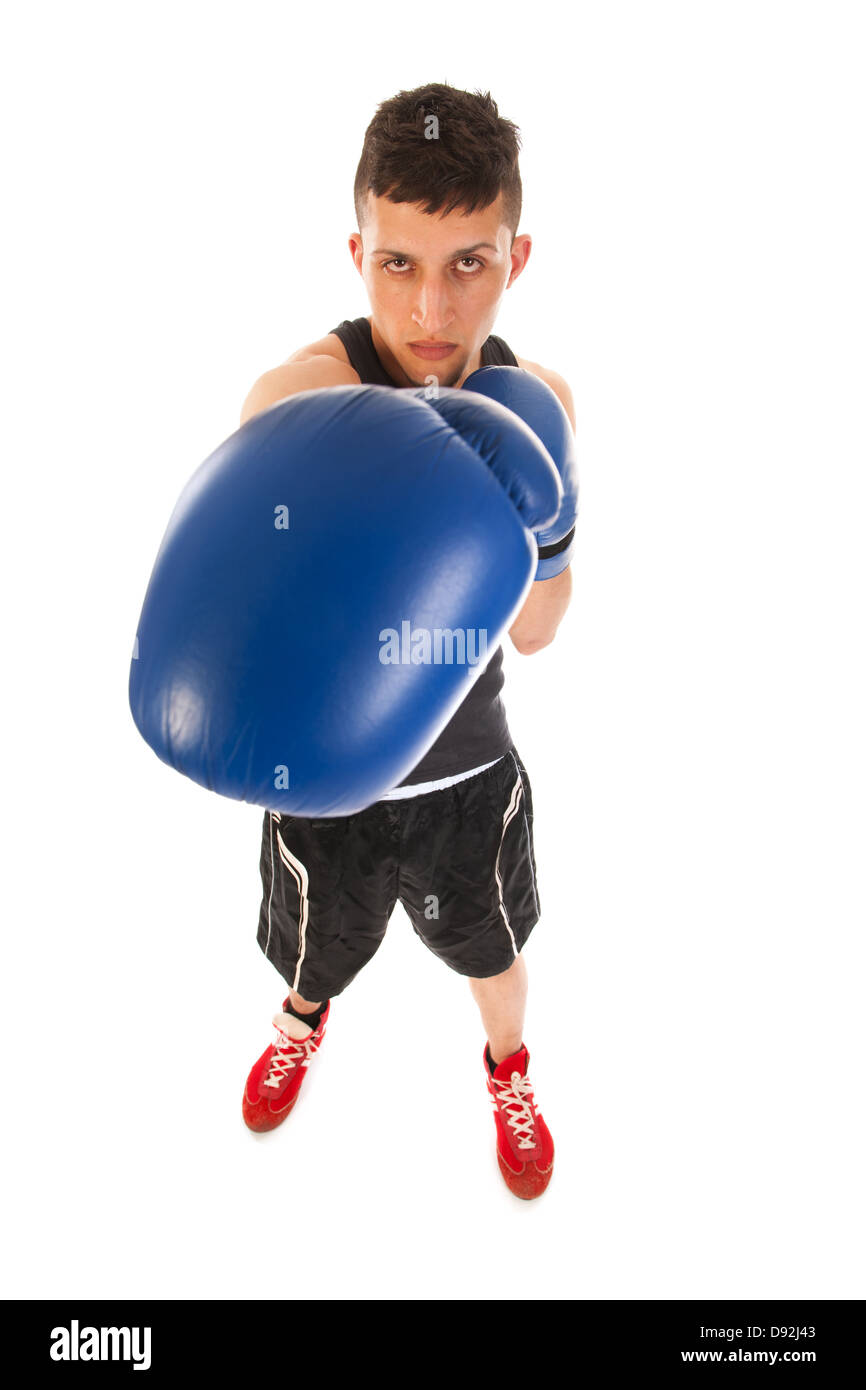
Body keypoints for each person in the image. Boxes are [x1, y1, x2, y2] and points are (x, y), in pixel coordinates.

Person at [239, 82, 575, 1200]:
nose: (431, 307)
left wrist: (552, 526)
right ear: (357, 252)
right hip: (327, 779)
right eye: (398, 264)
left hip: (466, 775)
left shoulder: (538, 408)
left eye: (467, 263)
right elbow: (265, 413)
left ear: (514, 259)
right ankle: (302, 1020)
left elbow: (533, 632)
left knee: (488, 952)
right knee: (312, 950)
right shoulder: (316, 387)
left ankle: (508, 1070)